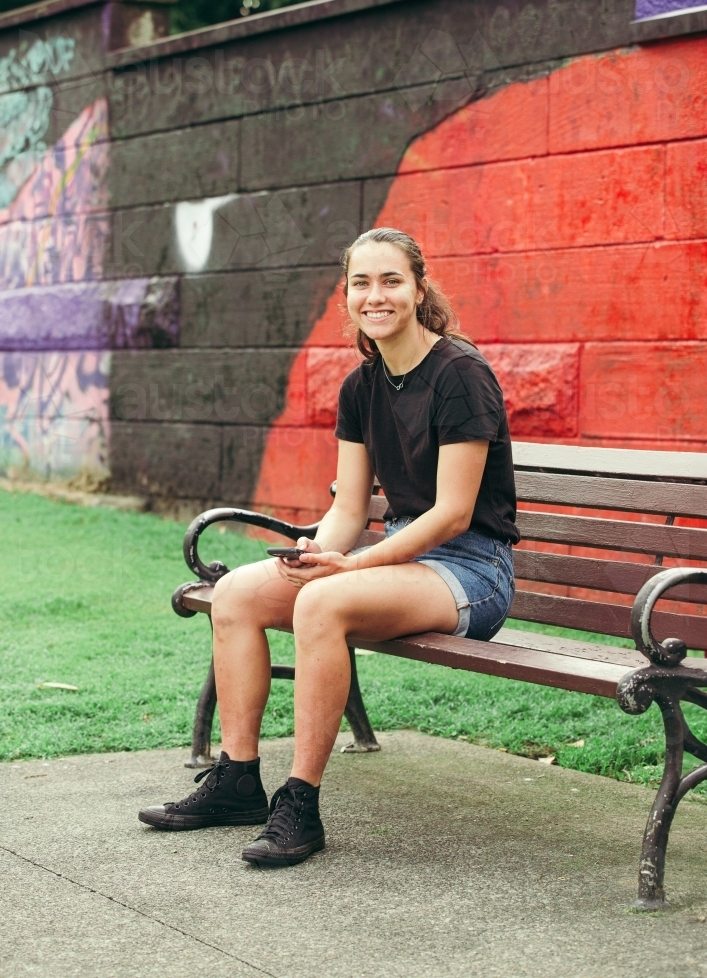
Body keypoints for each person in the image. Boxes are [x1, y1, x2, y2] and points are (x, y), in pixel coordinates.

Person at [138, 227, 519, 866]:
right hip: (399, 559)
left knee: (322, 605)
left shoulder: (461, 375)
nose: (376, 296)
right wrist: (317, 552)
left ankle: (301, 805)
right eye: (361, 283)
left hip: (471, 571)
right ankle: (236, 780)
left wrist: (351, 567)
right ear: (346, 297)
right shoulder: (361, 387)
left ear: (419, 290)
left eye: (391, 280)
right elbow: (346, 511)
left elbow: (453, 515)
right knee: (234, 592)